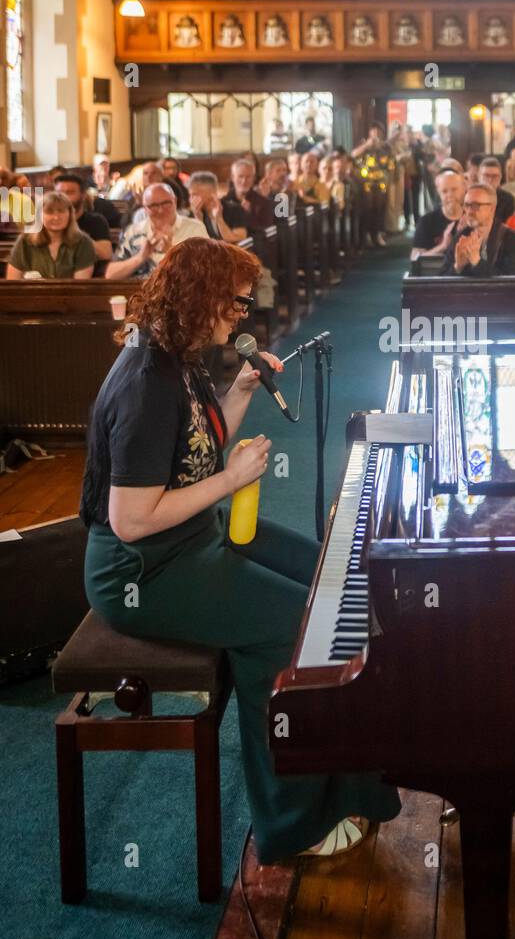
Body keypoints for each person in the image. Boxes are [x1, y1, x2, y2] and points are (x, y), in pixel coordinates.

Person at [81, 236, 401, 859]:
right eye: (236, 302)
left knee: (324, 583)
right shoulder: (146, 382)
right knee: (290, 628)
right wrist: (230, 480)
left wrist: (244, 390)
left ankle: (350, 777)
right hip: (142, 570)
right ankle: (294, 823)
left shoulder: (178, 352)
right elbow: (131, 521)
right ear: (200, 295)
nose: (242, 315)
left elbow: (198, 438)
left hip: (188, 538)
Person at [107, 182, 207, 279]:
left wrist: (171, 254)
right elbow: (110, 274)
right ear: (144, 208)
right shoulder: (134, 231)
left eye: (166, 203)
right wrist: (141, 257)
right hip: (139, 292)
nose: (160, 210)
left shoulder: (195, 229)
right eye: (153, 206)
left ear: (175, 201)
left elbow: (206, 271)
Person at [6, 190, 96, 280]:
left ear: (70, 214)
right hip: (31, 294)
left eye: (61, 211)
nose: (56, 217)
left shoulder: (83, 241)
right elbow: (13, 282)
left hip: (71, 293)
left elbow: (80, 286)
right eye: (49, 212)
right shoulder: (25, 240)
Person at [441, 184, 515, 278]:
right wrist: (457, 267)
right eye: (466, 205)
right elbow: (442, 279)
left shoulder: (512, 239)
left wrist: (477, 262)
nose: (469, 211)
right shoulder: (461, 237)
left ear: (492, 208)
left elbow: (514, 281)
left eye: (475, 206)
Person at [53, 172, 113, 264]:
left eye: (70, 192)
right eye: (59, 193)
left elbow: (106, 254)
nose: (63, 197)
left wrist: (74, 232)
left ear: (83, 195)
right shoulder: (48, 222)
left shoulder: (96, 221)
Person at [411, 170, 465, 260]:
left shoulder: (472, 218)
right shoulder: (426, 222)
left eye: (454, 189)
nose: (450, 195)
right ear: (439, 193)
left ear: (463, 189)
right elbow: (415, 258)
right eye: (444, 191)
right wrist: (443, 246)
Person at [188, 170, 248, 243]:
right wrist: (198, 219)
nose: (190, 199)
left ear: (212, 194)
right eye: (190, 195)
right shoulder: (194, 212)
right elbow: (198, 244)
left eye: (194, 194)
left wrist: (219, 219)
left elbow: (236, 239)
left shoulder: (235, 209)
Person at [223, 157, 274, 231]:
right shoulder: (223, 202)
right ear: (233, 177)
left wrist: (248, 215)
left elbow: (266, 234)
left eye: (248, 177)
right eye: (240, 176)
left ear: (254, 178)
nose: (244, 181)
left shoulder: (264, 203)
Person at [478, 156, 515, 223]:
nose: (490, 180)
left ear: (500, 177)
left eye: (494, 176)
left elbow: (508, 226)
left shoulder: (509, 199)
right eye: (486, 175)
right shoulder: (469, 197)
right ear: (479, 176)